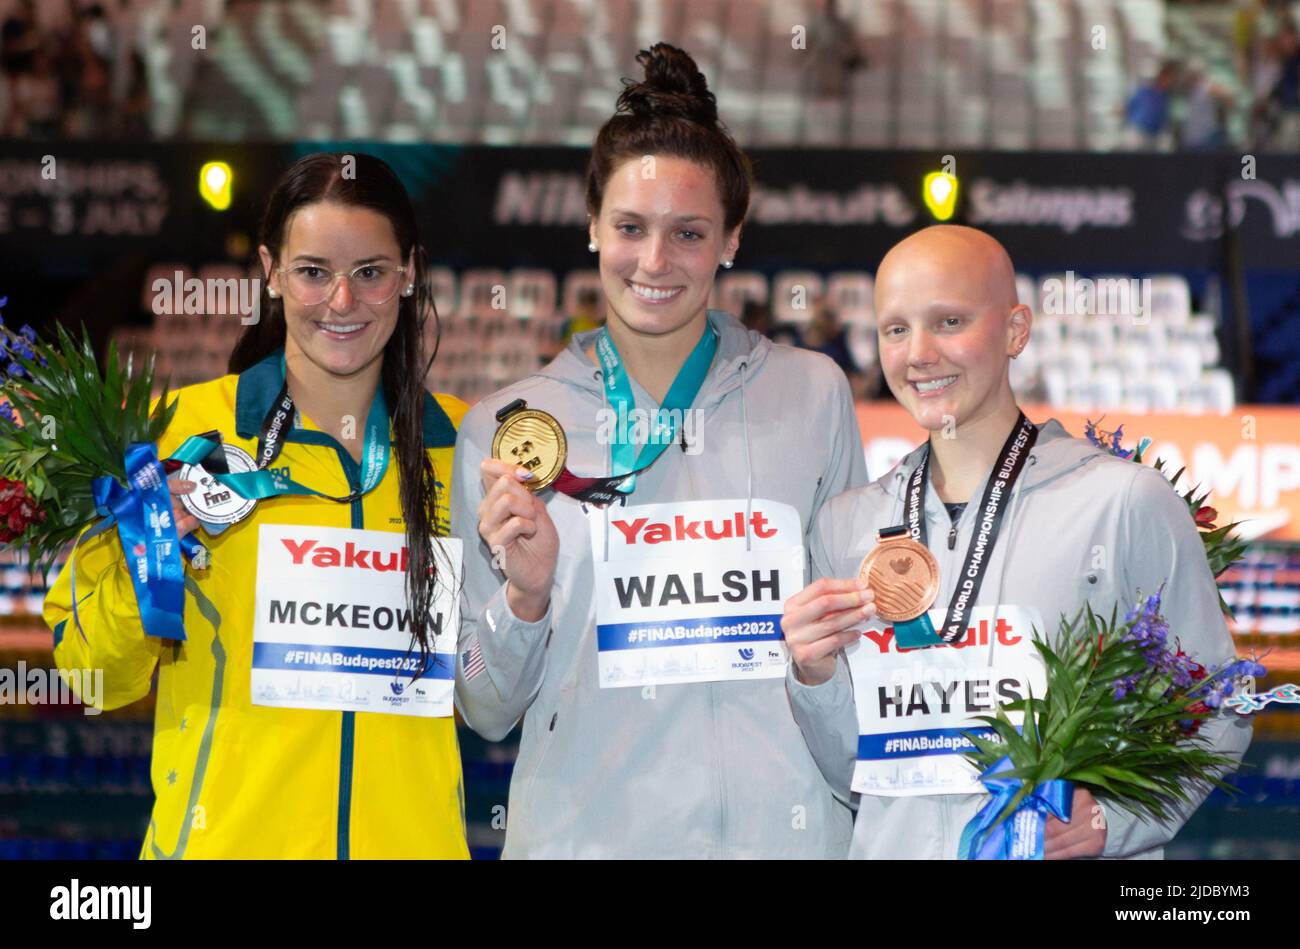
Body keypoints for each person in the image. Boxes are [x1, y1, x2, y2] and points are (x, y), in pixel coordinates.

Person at [452, 43, 868, 858]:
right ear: (591, 227)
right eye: (630, 228)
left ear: (731, 239)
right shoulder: (505, 429)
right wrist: (523, 601)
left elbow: (848, 652)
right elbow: (483, 705)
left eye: (688, 232)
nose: (654, 261)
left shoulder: (812, 394)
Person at [44, 152, 471, 859]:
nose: (341, 301)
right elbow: (94, 675)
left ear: (410, 272)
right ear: (270, 271)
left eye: (370, 272)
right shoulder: (180, 436)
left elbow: (495, 684)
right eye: (313, 272)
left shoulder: (463, 449)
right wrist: (144, 564)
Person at [782, 225, 1252, 859]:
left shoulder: (1119, 502)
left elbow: (1219, 703)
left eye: (948, 321)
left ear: (1015, 330)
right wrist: (816, 676)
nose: (918, 353)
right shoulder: (846, 526)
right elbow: (854, 772)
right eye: (894, 329)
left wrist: (1112, 819)